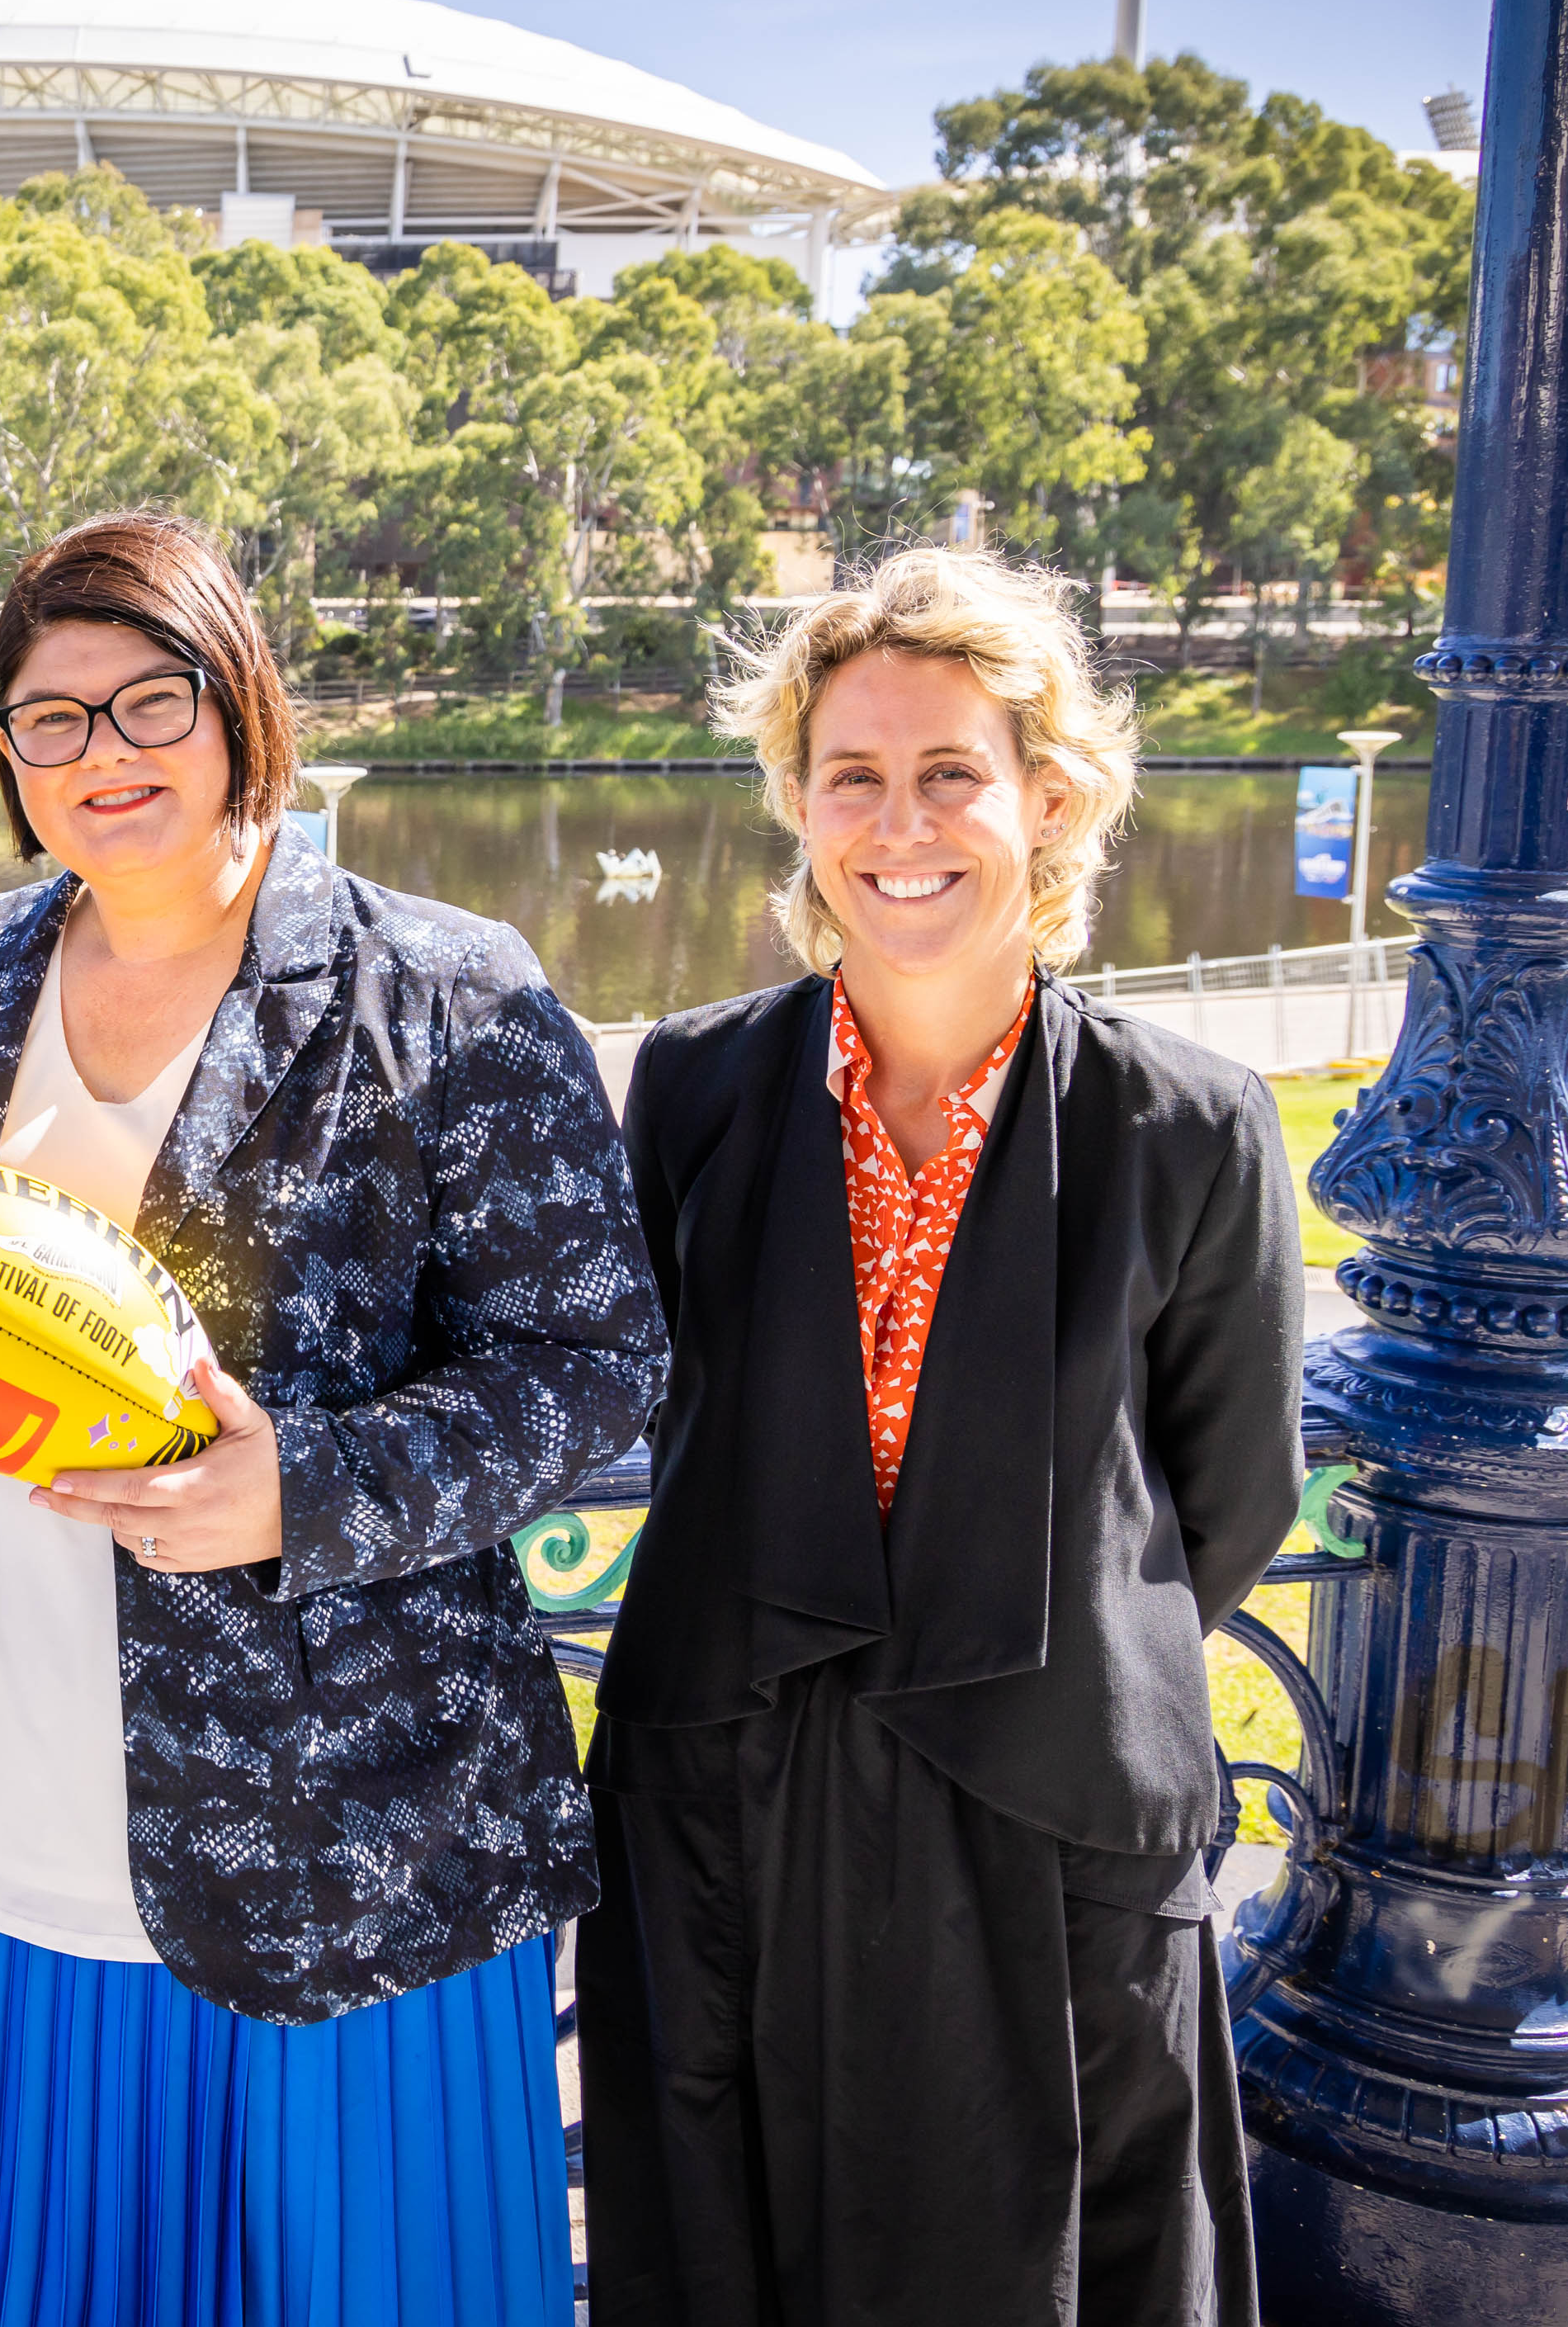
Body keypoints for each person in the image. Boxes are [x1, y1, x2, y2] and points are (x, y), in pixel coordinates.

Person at [0, 512, 663, 2327]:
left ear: (241, 706)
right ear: (5, 760)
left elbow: (593, 1367)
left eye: (146, 700)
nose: (102, 755)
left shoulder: (444, 989)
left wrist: (302, 1492)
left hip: (343, 1844)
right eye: (48, 719)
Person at [579, 545, 1304, 2327]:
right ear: (801, 807)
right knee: (722, 2232)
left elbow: (1227, 1493)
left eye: (948, 772)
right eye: (853, 776)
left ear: (1045, 797)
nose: (898, 824)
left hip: (1045, 1791)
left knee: (1047, 2256)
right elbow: (642, 1389)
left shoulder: (1187, 1125)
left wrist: (1012, 1606)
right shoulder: (691, 1084)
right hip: (729, 1778)